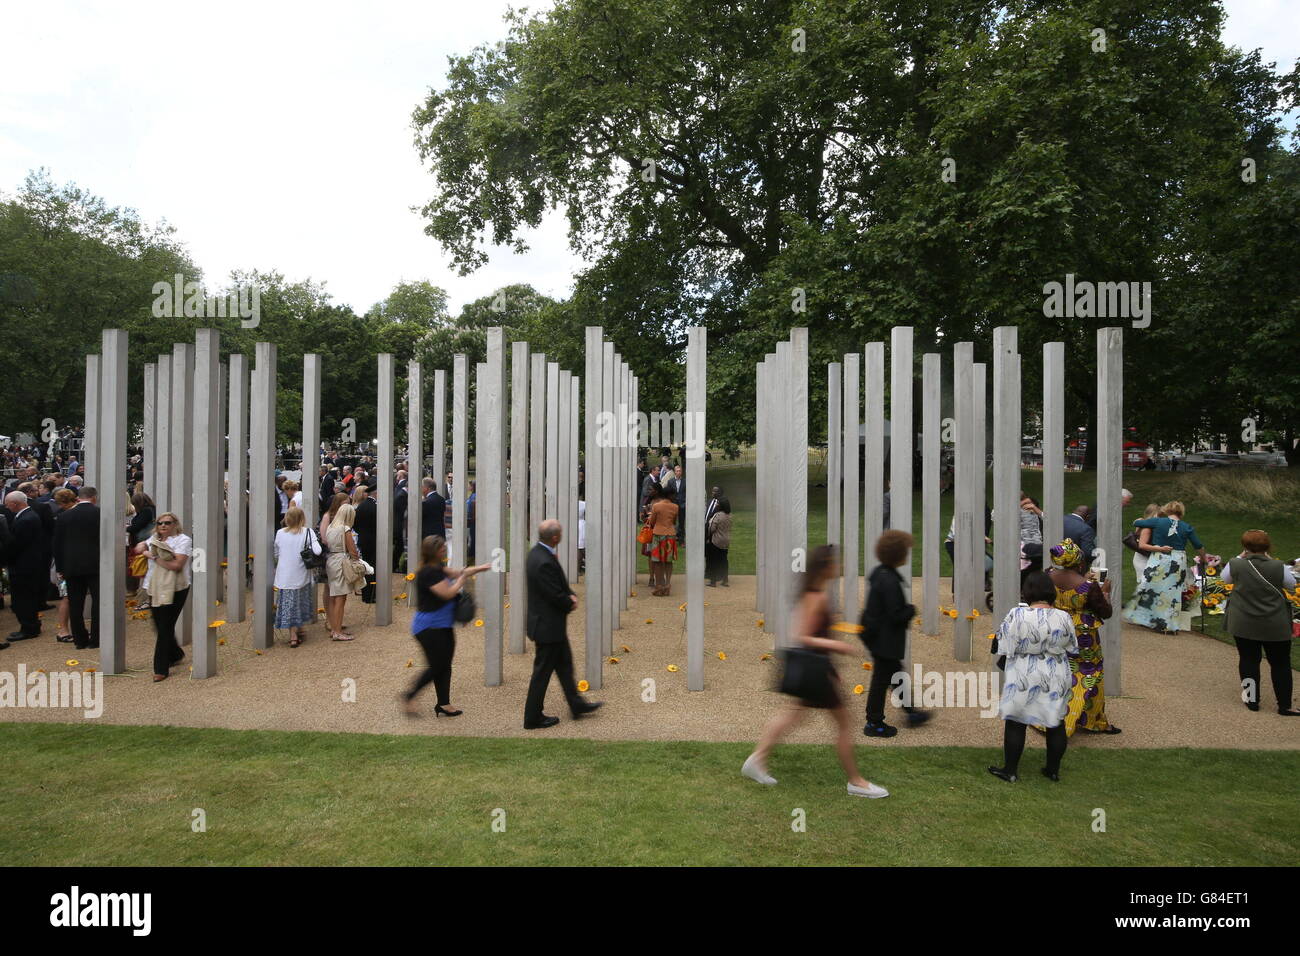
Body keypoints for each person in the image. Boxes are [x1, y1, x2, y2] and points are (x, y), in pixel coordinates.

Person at [743, 546, 889, 798]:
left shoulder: (813, 593)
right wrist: (838, 646)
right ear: (825, 566)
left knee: (795, 715)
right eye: (836, 563)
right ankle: (856, 781)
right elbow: (803, 636)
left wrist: (832, 667)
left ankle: (757, 760)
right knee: (843, 723)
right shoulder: (817, 597)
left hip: (819, 671)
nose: (839, 567)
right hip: (816, 673)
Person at [987, 571, 1079, 782]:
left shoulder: (1016, 615)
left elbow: (1001, 645)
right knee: (1056, 721)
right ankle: (1053, 770)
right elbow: (1072, 647)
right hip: (1055, 672)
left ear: (1026, 592)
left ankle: (1010, 770)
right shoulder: (1064, 617)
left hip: (1023, 672)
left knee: (1016, 721)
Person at [523, 519, 602, 729]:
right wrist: (570, 602)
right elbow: (553, 592)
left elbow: (558, 584)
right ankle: (532, 717)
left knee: (565, 666)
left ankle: (577, 705)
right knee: (542, 673)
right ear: (556, 537)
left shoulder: (538, 553)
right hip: (547, 627)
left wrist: (570, 594)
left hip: (551, 625)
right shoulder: (543, 560)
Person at [402, 535, 490, 718]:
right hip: (429, 628)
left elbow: (459, 572)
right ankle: (409, 696)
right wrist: (462, 581)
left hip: (443, 625)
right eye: (442, 548)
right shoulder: (428, 573)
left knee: (444, 665)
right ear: (433, 551)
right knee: (437, 666)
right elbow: (448, 593)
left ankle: (444, 704)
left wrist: (482, 568)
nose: (444, 550)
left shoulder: (438, 568)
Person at [1221, 530, 1299, 716]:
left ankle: (1252, 699)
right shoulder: (1278, 566)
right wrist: (1268, 557)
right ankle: (1285, 705)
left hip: (1243, 621)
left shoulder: (1236, 564)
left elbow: (1225, 579)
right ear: (1267, 546)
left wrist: (1241, 554)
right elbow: (1290, 585)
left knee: (1248, 660)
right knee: (1280, 663)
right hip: (1274, 622)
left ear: (1245, 547)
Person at [862, 530, 931, 736]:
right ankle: (873, 723)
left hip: (878, 637)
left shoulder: (880, 573)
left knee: (896, 676)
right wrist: (910, 609)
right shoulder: (890, 581)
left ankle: (911, 712)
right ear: (898, 555)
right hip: (885, 640)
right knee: (881, 680)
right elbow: (895, 615)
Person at [1046, 539, 1119, 735]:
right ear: (1078, 560)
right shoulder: (1088, 586)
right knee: (1091, 674)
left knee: (1059, 671)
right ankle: (1092, 721)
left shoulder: (1048, 575)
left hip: (1056, 628)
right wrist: (1105, 592)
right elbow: (1105, 612)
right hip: (1083, 636)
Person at [1123, 500, 1205, 634]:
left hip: (1160, 556)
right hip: (1178, 559)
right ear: (1181, 512)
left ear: (1167, 510)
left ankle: (1150, 618)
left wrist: (1140, 520)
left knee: (1151, 587)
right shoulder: (1186, 526)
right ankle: (1171, 625)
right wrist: (1204, 558)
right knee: (1173, 591)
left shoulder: (1158, 522)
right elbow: (1198, 545)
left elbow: (1136, 523)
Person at [135, 512, 191, 682]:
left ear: (175, 524)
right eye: (160, 523)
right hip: (153, 586)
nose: (163, 526)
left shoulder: (183, 540)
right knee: (159, 625)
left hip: (174, 587)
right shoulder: (153, 539)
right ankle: (175, 653)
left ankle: (160, 668)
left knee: (165, 626)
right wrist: (141, 546)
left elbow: (176, 565)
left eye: (167, 523)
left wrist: (152, 556)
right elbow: (139, 547)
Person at [52, 486, 100, 650]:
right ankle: (96, 638)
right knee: (97, 602)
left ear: (79, 497)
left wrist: (60, 568)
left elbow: (57, 545)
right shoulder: (99, 513)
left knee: (75, 604)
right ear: (94, 498)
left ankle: (80, 639)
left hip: (71, 565)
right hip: (95, 564)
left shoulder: (64, 516)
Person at [3, 491, 49, 642]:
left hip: (24, 566)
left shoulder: (26, 519)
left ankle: (29, 628)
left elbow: (16, 545)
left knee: (24, 599)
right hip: (27, 564)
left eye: (8, 503)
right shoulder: (27, 516)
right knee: (25, 598)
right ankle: (30, 625)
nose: (6, 506)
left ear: (15, 503)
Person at [274, 505, 321, 647]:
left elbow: (276, 553)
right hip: (301, 573)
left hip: (284, 574)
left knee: (289, 604)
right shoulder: (307, 532)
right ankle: (295, 633)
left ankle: (294, 633)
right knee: (300, 602)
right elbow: (317, 551)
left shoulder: (280, 533)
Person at [324, 502, 363, 641]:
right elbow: (353, 550)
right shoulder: (345, 528)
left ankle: (334, 628)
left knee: (334, 597)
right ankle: (337, 631)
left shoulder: (330, 527)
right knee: (341, 598)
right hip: (341, 560)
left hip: (331, 560)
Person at [49, 488, 79, 642]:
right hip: (66, 565)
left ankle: (66, 629)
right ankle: (63, 629)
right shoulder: (63, 517)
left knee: (68, 597)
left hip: (66, 564)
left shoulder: (63, 516)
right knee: (67, 597)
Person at [645, 483, 680, 595]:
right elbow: (674, 522)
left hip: (658, 534)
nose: (675, 497)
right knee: (668, 561)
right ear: (669, 495)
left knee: (657, 561)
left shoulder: (656, 506)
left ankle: (659, 584)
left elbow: (652, 522)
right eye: (673, 495)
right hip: (670, 535)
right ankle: (667, 584)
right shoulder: (675, 507)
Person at [126, 491, 156, 595]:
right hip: (145, 540)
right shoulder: (151, 509)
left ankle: (137, 589)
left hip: (142, 541)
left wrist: (127, 528)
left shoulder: (146, 511)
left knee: (138, 565)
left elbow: (137, 526)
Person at [353, 485, 378, 604]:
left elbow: (355, 524)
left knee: (367, 568)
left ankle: (367, 594)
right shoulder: (374, 507)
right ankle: (371, 595)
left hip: (364, 540)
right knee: (372, 569)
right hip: (374, 541)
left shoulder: (362, 506)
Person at [1130, 504, 1166, 581]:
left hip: (1149, 557)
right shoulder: (1146, 526)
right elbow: (1142, 545)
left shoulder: (1144, 523)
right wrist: (1161, 549)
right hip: (1143, 558)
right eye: (1158, 516)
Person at [705, 497, 732, 587]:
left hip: (716, 540)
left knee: (713, 561)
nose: (716, 504)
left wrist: (708, 536)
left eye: (718, 504)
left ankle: (713, 581)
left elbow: (711, 528)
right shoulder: (729, 515)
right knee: (724, 560)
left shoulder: (717, 515)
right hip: (726, 540)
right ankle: (725, 580)